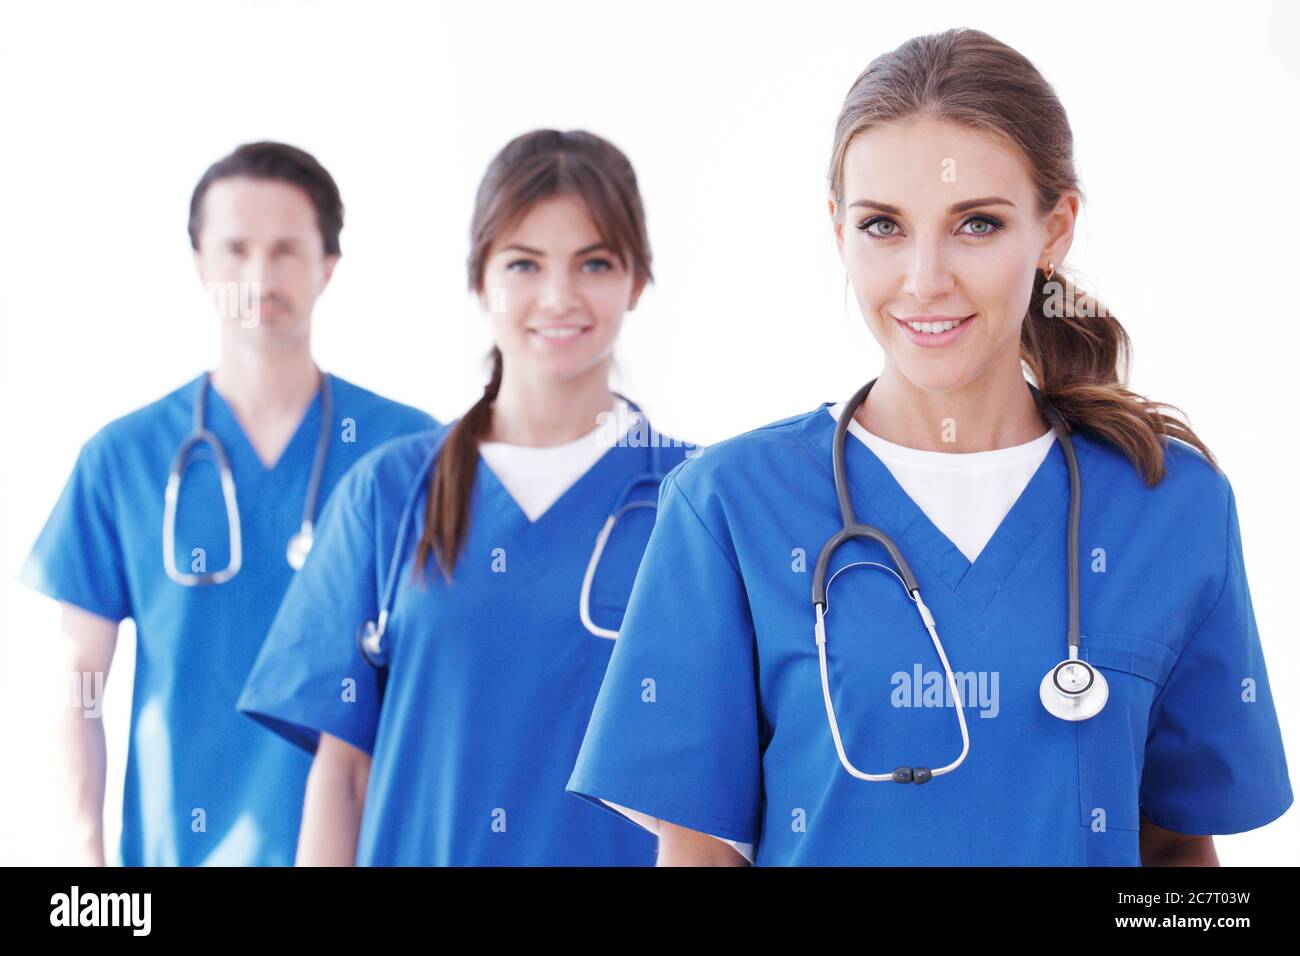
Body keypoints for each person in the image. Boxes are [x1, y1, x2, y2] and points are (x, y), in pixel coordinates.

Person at [565, 28, 1293, 866]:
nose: (925, 278)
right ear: (838, 229)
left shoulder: (1169, 503)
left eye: (976, 224)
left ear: (1054, 230)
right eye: (883, 226)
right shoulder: (728, 506)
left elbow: (1173, 854)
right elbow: (701, 855)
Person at [237, 129, 694, 865]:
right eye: (524, 263)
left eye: (595, 263)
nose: (559, 297)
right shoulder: (389, 494)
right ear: (481, 279)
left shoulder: (695, 504)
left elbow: (720, 788)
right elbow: (343, 777)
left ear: (637, 281)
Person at [19, 141, 438, 866]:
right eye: (235, 248)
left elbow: (447, 671)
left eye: (285, 250)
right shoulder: (124, 458)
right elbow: (79, 678)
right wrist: (83, 854)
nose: (258, 275)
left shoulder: (408, 453)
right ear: (199, 264)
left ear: (328, 266)